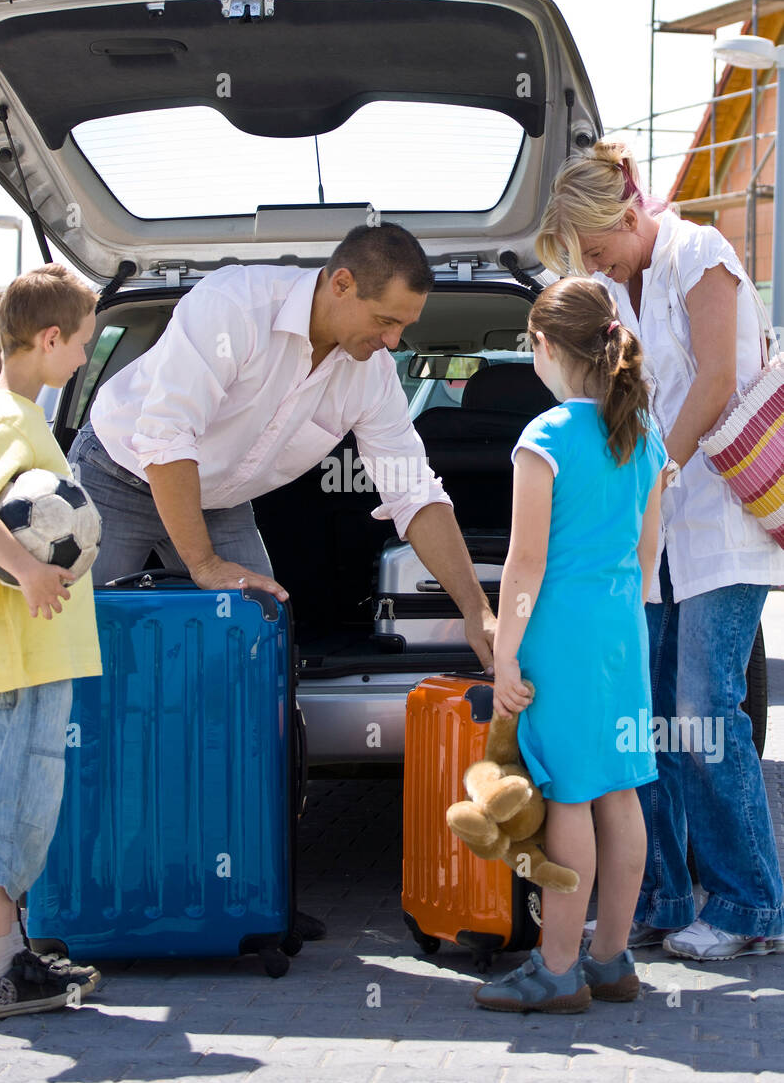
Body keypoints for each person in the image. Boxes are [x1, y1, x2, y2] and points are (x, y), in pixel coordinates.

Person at [533, 139, 784, 962]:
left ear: (626, 212)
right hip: (663, 528)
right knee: (652, 723)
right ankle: (667, 900)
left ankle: (750, 907)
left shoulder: (697, 253)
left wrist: (656, 472)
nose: (593, 262)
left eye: (596, 246)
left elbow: (714, 379)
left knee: (702, 711)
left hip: (721, 521)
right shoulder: (613, 285)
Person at [70, 221, 497, 667]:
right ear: (342, 284)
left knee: (256, 645)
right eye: (385, 321)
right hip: (113, 477)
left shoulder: (374, 376)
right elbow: (166, 436)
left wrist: (476, 609)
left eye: (403, 326)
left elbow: (413, 492)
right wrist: (205, 565)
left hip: (219, 503)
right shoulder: (232, 306)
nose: (392, 341)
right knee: (80, 646)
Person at [473, 277, 666, 1013]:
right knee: (618, 790)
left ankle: (555, 968)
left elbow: (524, 566)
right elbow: (647, 557)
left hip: (560, 635)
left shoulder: (544, 438)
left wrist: (505, 651)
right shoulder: (643, 436)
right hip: (620, 632)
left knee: (567, 797)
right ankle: (610, 961)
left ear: (544, 347)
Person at [0, 264, 103, 1020]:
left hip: (34, 657)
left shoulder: (19, 413)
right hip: (18, 657)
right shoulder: (9, 418)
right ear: (50, 338)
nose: (84, 358)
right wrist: (24, 564)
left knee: (23, 804)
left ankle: (10, 953)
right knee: (8, 807)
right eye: (82, 344)